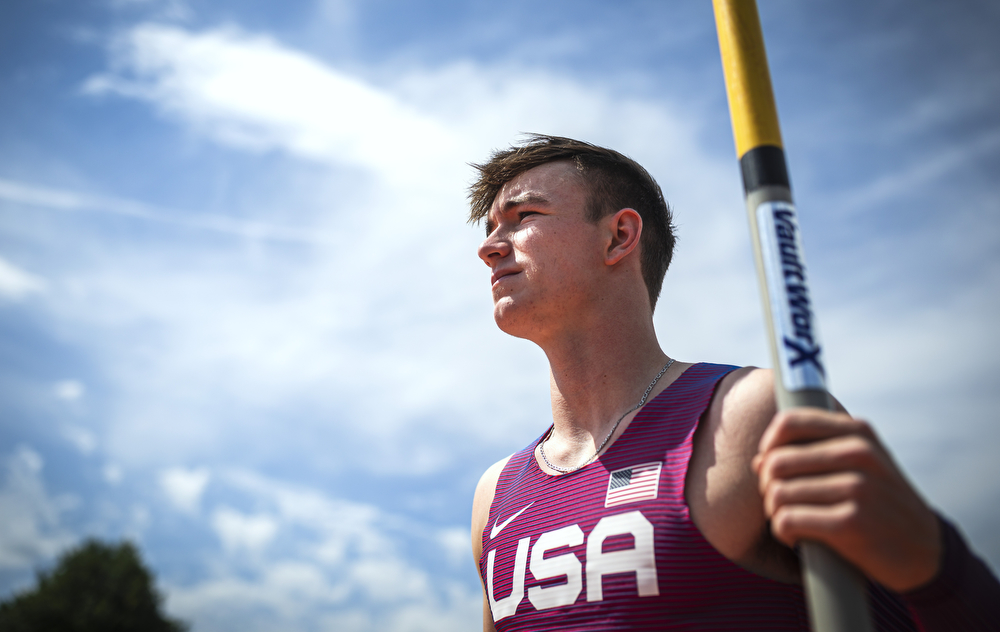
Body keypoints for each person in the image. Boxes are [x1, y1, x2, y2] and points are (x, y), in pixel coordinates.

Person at [468, 135, 999, 631]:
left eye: (523, 217)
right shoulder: (497, 495)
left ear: (619, 236)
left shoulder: (754, 416)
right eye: (490, 228)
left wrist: (939, 566)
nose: (489, 247)